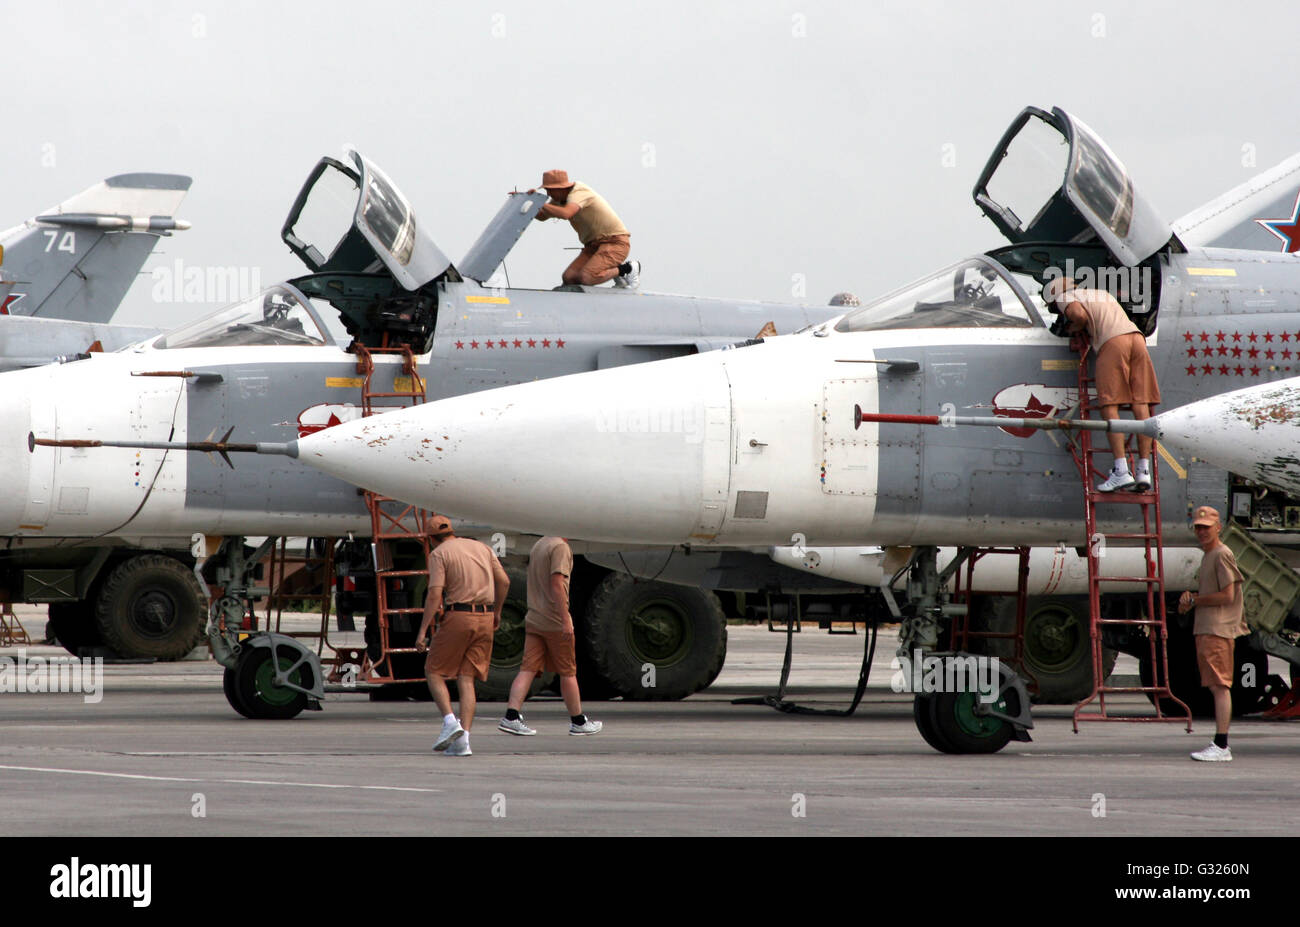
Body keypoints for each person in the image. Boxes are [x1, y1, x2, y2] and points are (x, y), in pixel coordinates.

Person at [1043, 276, 1161, 492]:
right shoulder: (1101, 294)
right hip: (1136, 338)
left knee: (1109, 405)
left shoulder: (1065, 296)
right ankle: (1144, 471)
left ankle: (1121, 471)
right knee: (1140, 402)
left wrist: (1074, 327)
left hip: (1112, 343)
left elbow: (1078, 314)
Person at [414, 516, 509, 758]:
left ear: (431, 539)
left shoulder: (439, 554)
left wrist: (423, 631)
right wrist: (497, 612)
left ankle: (449, 722)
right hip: (486, 618)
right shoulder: (482, 548)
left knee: (433, 671)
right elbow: (504, 581)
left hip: (459, 616)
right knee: (466, 678)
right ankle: (463, 741)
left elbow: (435, 594)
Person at [498, 536, 602, 737]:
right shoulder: (560, 547)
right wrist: (565, 618)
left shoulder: (540, 544)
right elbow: (557, 583)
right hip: (553, 619)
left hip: (534, 616)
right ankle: (578, 721)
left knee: (527, 668)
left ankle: (511, 716)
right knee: (568, 672)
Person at [1177, 505, 1247, 762]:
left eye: (1206, 527)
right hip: (1209, 629)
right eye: (1198, 527)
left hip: (1217, 629)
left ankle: (1221, 744)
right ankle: (1220, 743)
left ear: (1218, 528)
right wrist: (1191, 601)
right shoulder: (1210, 555)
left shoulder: (1220, 554)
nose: (1201, 531)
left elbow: (1228, 595)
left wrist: (1196, 601)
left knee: (1220, 687)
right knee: (1217, 686)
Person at [530, 169, 639, 288]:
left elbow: (566, 213)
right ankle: (613, 270)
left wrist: (543, 205)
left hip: (615, 242)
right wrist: (529, 201)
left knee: (586, 277)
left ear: (560, 188)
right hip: (593, 246)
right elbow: (541, 216)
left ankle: (628, 269)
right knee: (569, 278)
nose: (548, 194)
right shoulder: (559, 199)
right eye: (547, 190)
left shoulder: (579, 192)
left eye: (550, 190)